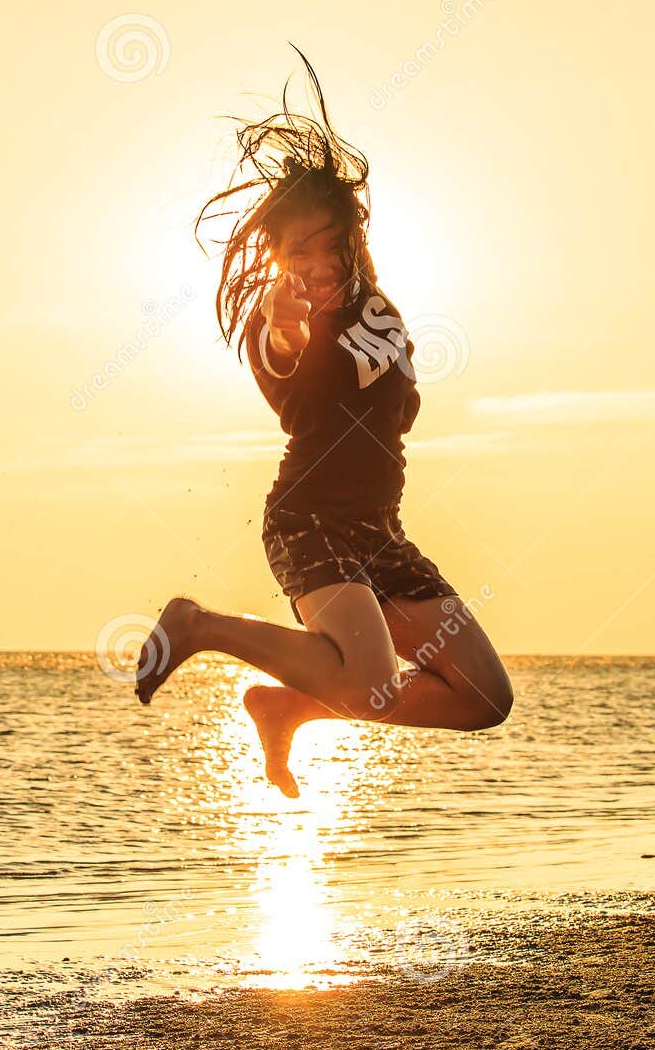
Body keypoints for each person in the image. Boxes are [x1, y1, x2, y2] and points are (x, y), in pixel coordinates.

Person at [136, 52, 512, 796]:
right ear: (277, 260)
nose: (313, 263)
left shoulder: (378, 310)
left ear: (351, 237)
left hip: (380, 533)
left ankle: (287, 709)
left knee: (483, 697)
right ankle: (201, 625)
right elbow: (287, 367)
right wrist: (286, 328)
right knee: (368, 682)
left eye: (325, 242)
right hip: (310, 521)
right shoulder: (278, 320)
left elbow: (393, 410)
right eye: (295, 251)